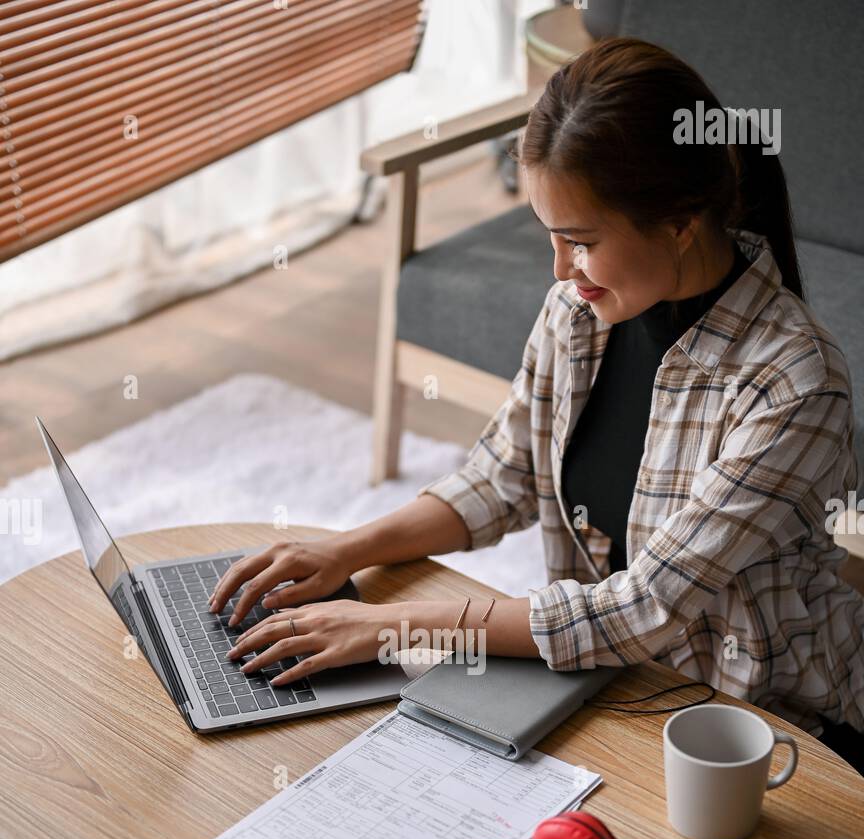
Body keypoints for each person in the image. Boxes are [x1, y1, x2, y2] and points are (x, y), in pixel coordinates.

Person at [209, 37, 864, 775]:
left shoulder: (794, 383)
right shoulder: (577, 314)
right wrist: (346, 549)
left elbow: (641, 609)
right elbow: (502, 479)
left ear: (681, 222)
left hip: (760, 739)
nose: (560, 271)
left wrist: (390, 627)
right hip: (607, 688)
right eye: (551, 237)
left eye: (581, 242)